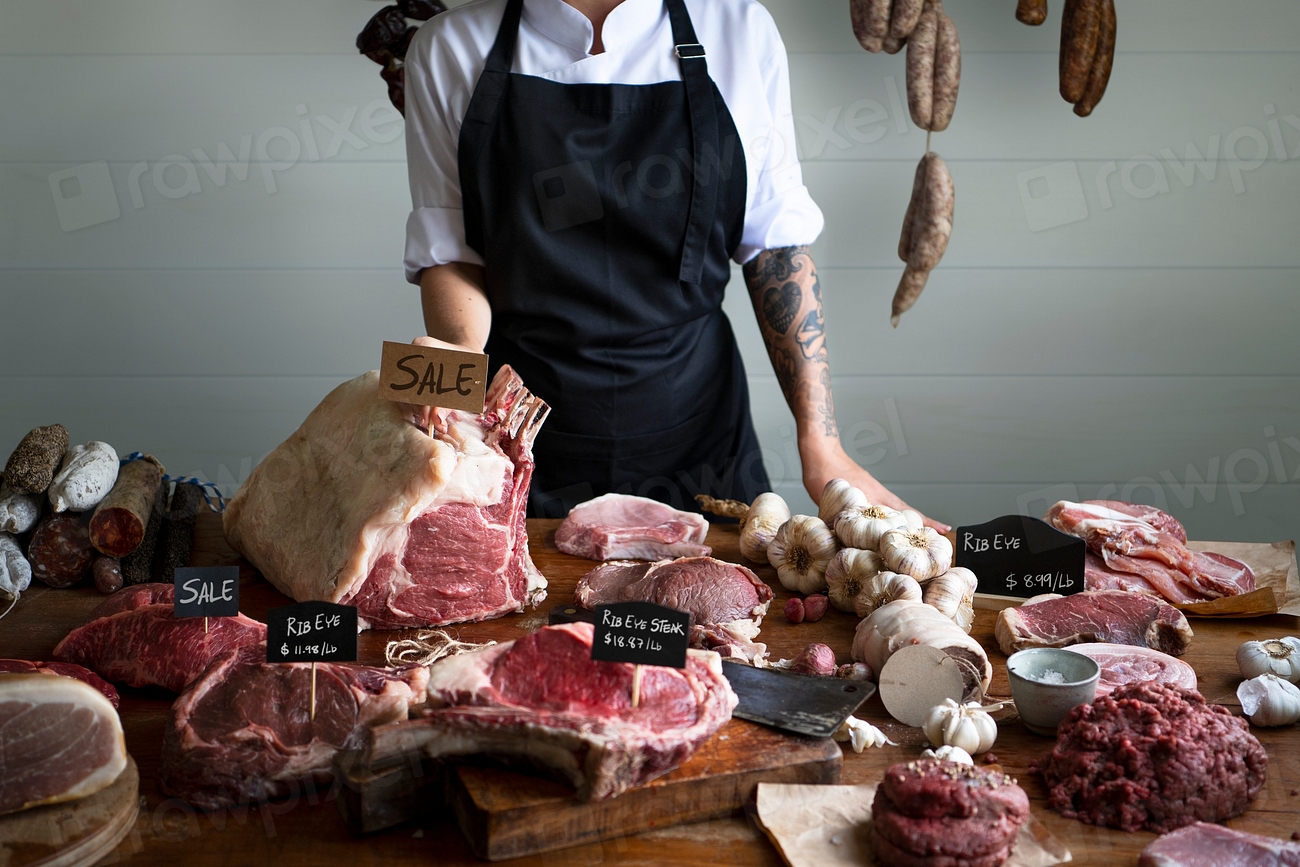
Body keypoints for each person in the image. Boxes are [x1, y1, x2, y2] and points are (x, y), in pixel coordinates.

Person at [402, 0, 946, 530]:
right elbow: (452, 252)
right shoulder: (449, 46)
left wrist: (822, 446)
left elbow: (775, 248)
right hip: (519, 432)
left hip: (699, 432)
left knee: (721, 615)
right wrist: (451, 381)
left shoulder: (736, 27)